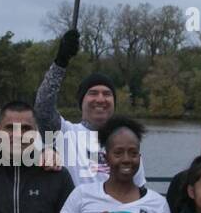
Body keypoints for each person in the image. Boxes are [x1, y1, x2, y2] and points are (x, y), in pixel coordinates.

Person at [34, 28, 146, 187]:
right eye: (93, 93)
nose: (100, 99)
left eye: (107, 94)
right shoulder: (65, 133)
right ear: (81, 102)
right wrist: (61, 61)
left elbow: (139, 190)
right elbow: (42, 107)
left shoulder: (128, 142)